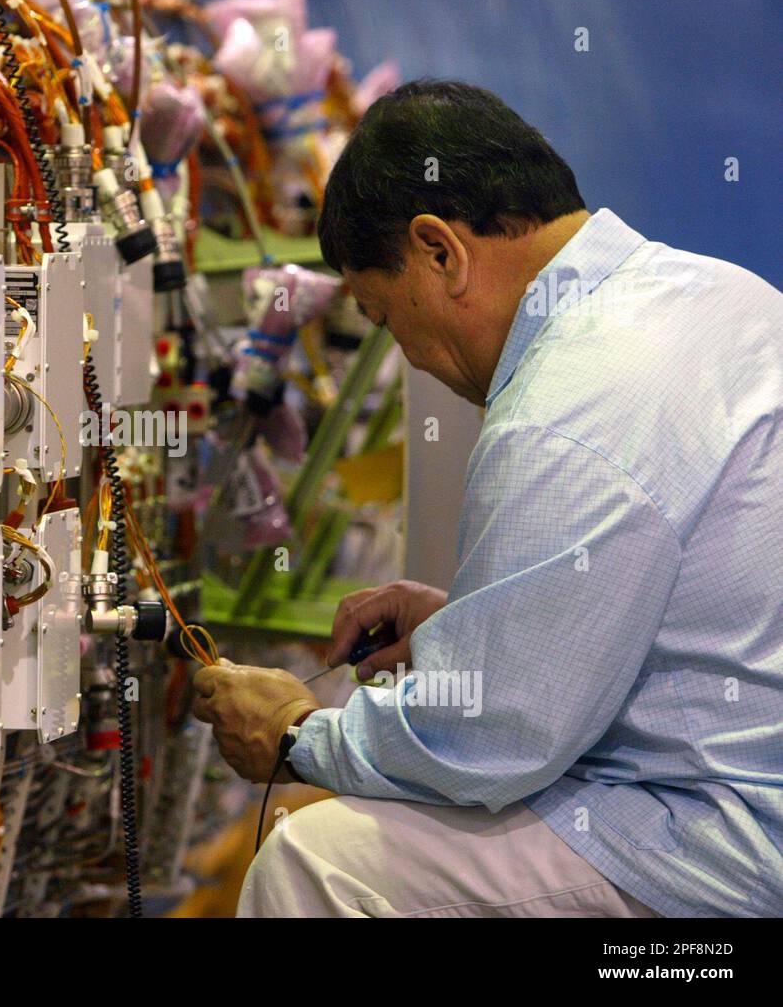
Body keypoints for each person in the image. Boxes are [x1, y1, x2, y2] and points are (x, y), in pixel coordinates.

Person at [192, 80, 783, 918]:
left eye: (388, 318)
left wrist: (296, 734)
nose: (415, 357)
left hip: (723, 855)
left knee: (321, 866)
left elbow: (498, 735)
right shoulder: (723, 298)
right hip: (743, 798)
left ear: (439, 251)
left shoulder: (564, 409)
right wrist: (479, 621)